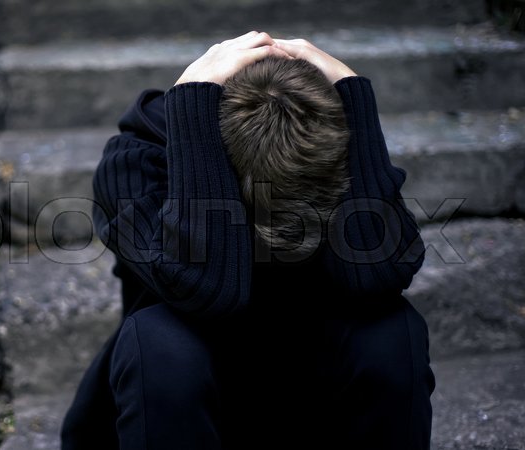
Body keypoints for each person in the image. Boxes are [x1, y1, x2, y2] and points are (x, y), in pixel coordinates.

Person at [60, 31, 435, 450]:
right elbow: (207, 291)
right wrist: (196, 124)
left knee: (392, 330)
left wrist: (354, 96)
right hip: (184, 410)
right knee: (158, 340)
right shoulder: (138, 161)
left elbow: (379, 274)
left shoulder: (325, 145)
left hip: (316, 395)